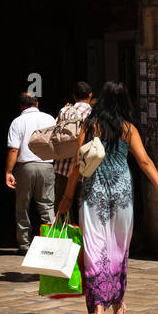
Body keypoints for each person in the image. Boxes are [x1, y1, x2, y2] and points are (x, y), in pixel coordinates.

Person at [57, 80, 158, 314]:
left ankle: (100, 309)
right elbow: (144, 162)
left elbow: (78, 165)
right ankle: (118, 303)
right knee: (117, 249)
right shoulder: (128, 129)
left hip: (94, 194)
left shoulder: (90, 127)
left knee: (95, 249)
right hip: (122, 194)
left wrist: (67, 197)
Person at [5, 90, 57, 253]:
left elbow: (14, 149)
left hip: (25, 167)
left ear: (21, 106)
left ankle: (25, 245)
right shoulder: (49, 118)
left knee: (22, 206)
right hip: (46, 166)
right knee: (47, 205)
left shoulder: (18, 122)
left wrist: (8, 172)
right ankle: (51, 242)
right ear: (37, 103)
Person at [52, 81, 93, 224]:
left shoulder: (64, 111)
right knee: (84, 210)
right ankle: (83, 242)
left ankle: (64, 242)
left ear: (73, 96)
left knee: (62, 209)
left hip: (63, 169)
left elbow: (55, 131)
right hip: (85, 169)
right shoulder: (93, 113)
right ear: (90, 95)